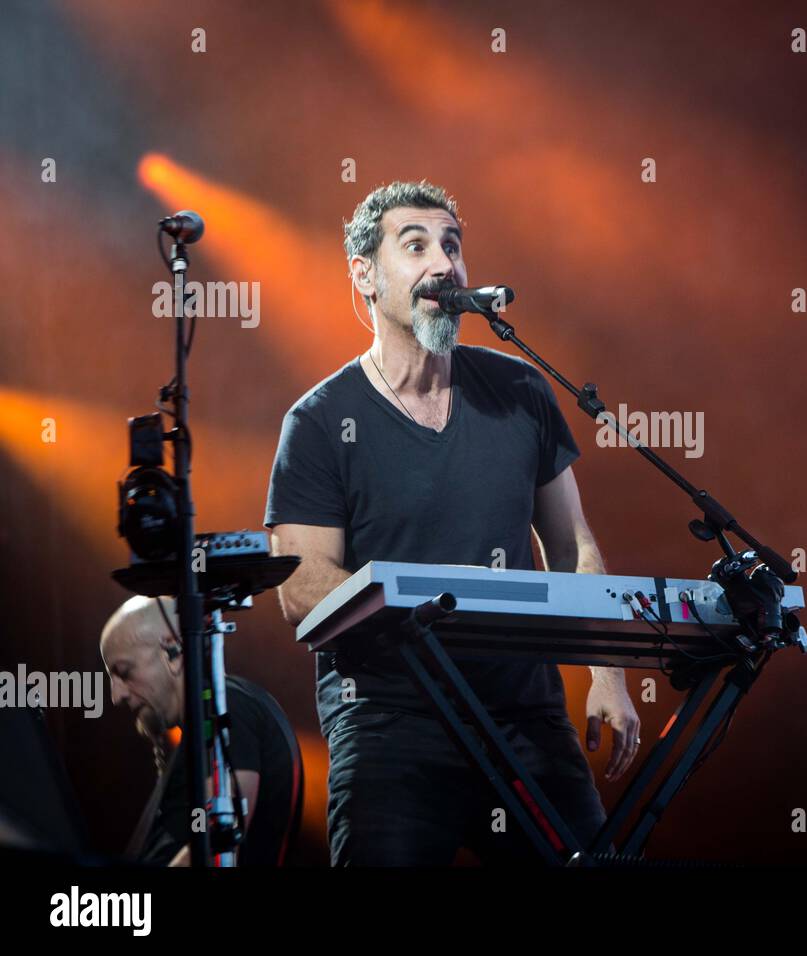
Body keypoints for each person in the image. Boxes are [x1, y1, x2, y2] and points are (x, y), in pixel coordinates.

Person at [265, 180, 640, 866]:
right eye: (416, 246)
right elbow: (301, 584)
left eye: (453, 245)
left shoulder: (521, 391)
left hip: (524, 713)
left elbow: (573, 545)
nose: (444, 263)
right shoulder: (318, 422)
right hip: (390, 724)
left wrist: (608, 677)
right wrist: (411, 610)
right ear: (365, 276)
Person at [100, 595, 301, 866]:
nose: (116, 695)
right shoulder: (214, 715)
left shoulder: (229, 705)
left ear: (172, 651)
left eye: (123, 672)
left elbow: (218, 845)